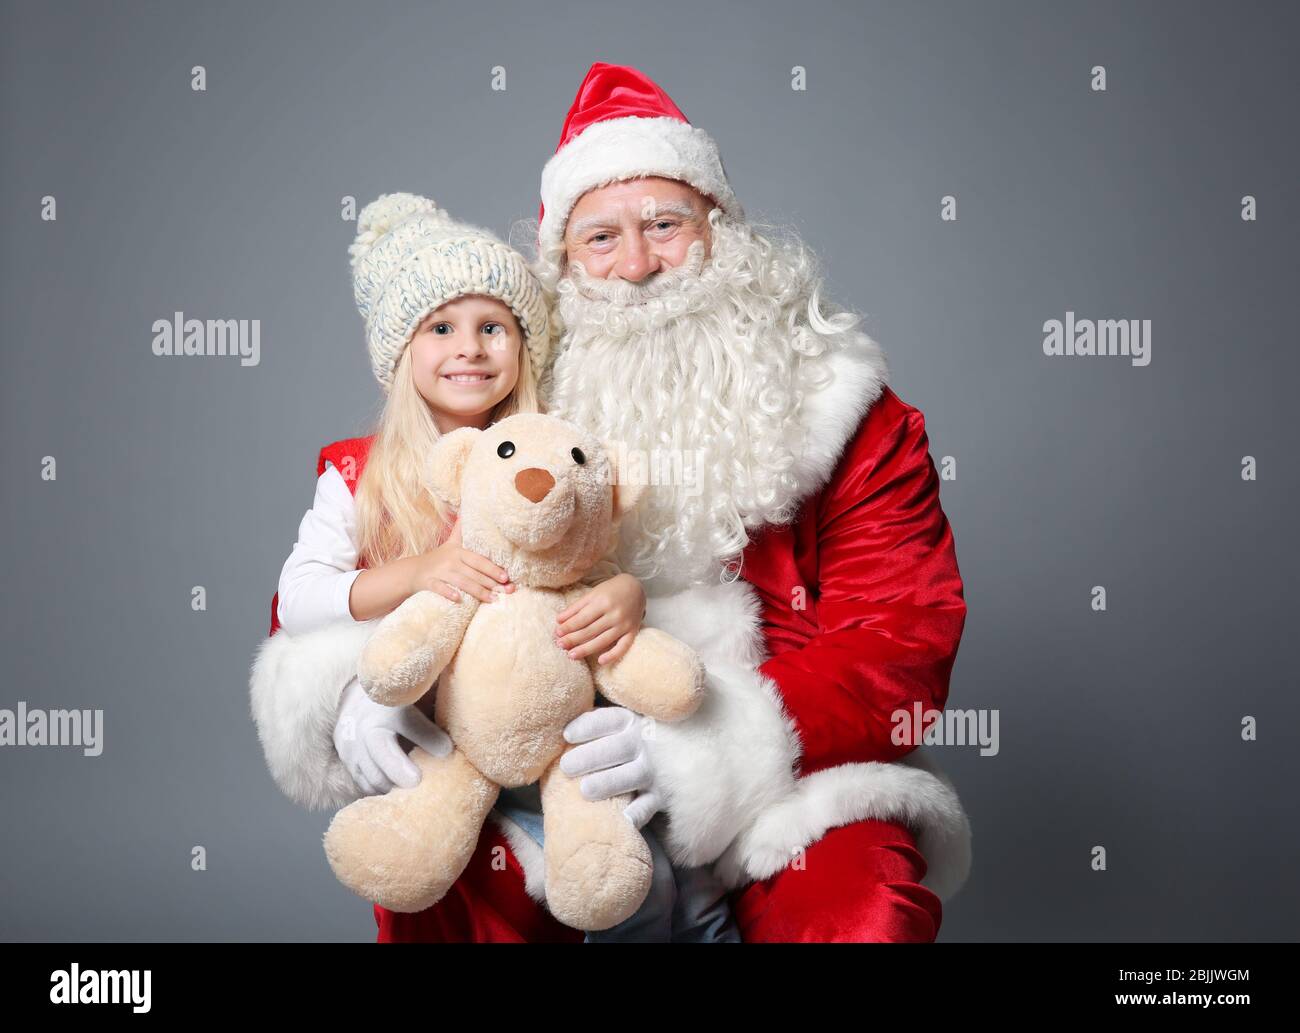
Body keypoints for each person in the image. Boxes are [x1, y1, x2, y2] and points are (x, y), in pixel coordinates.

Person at [251, 190, 737, 941]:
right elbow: (299, 595)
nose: (469, 347)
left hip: (557, 725)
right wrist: (418, 573)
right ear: (401, 352)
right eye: (440, 327)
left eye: (493, 328)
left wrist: (628, 593)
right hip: (447, 738)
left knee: (660, 875)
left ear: (524, 347)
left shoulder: (556, 449)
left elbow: (594, 562)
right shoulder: (361, 474)